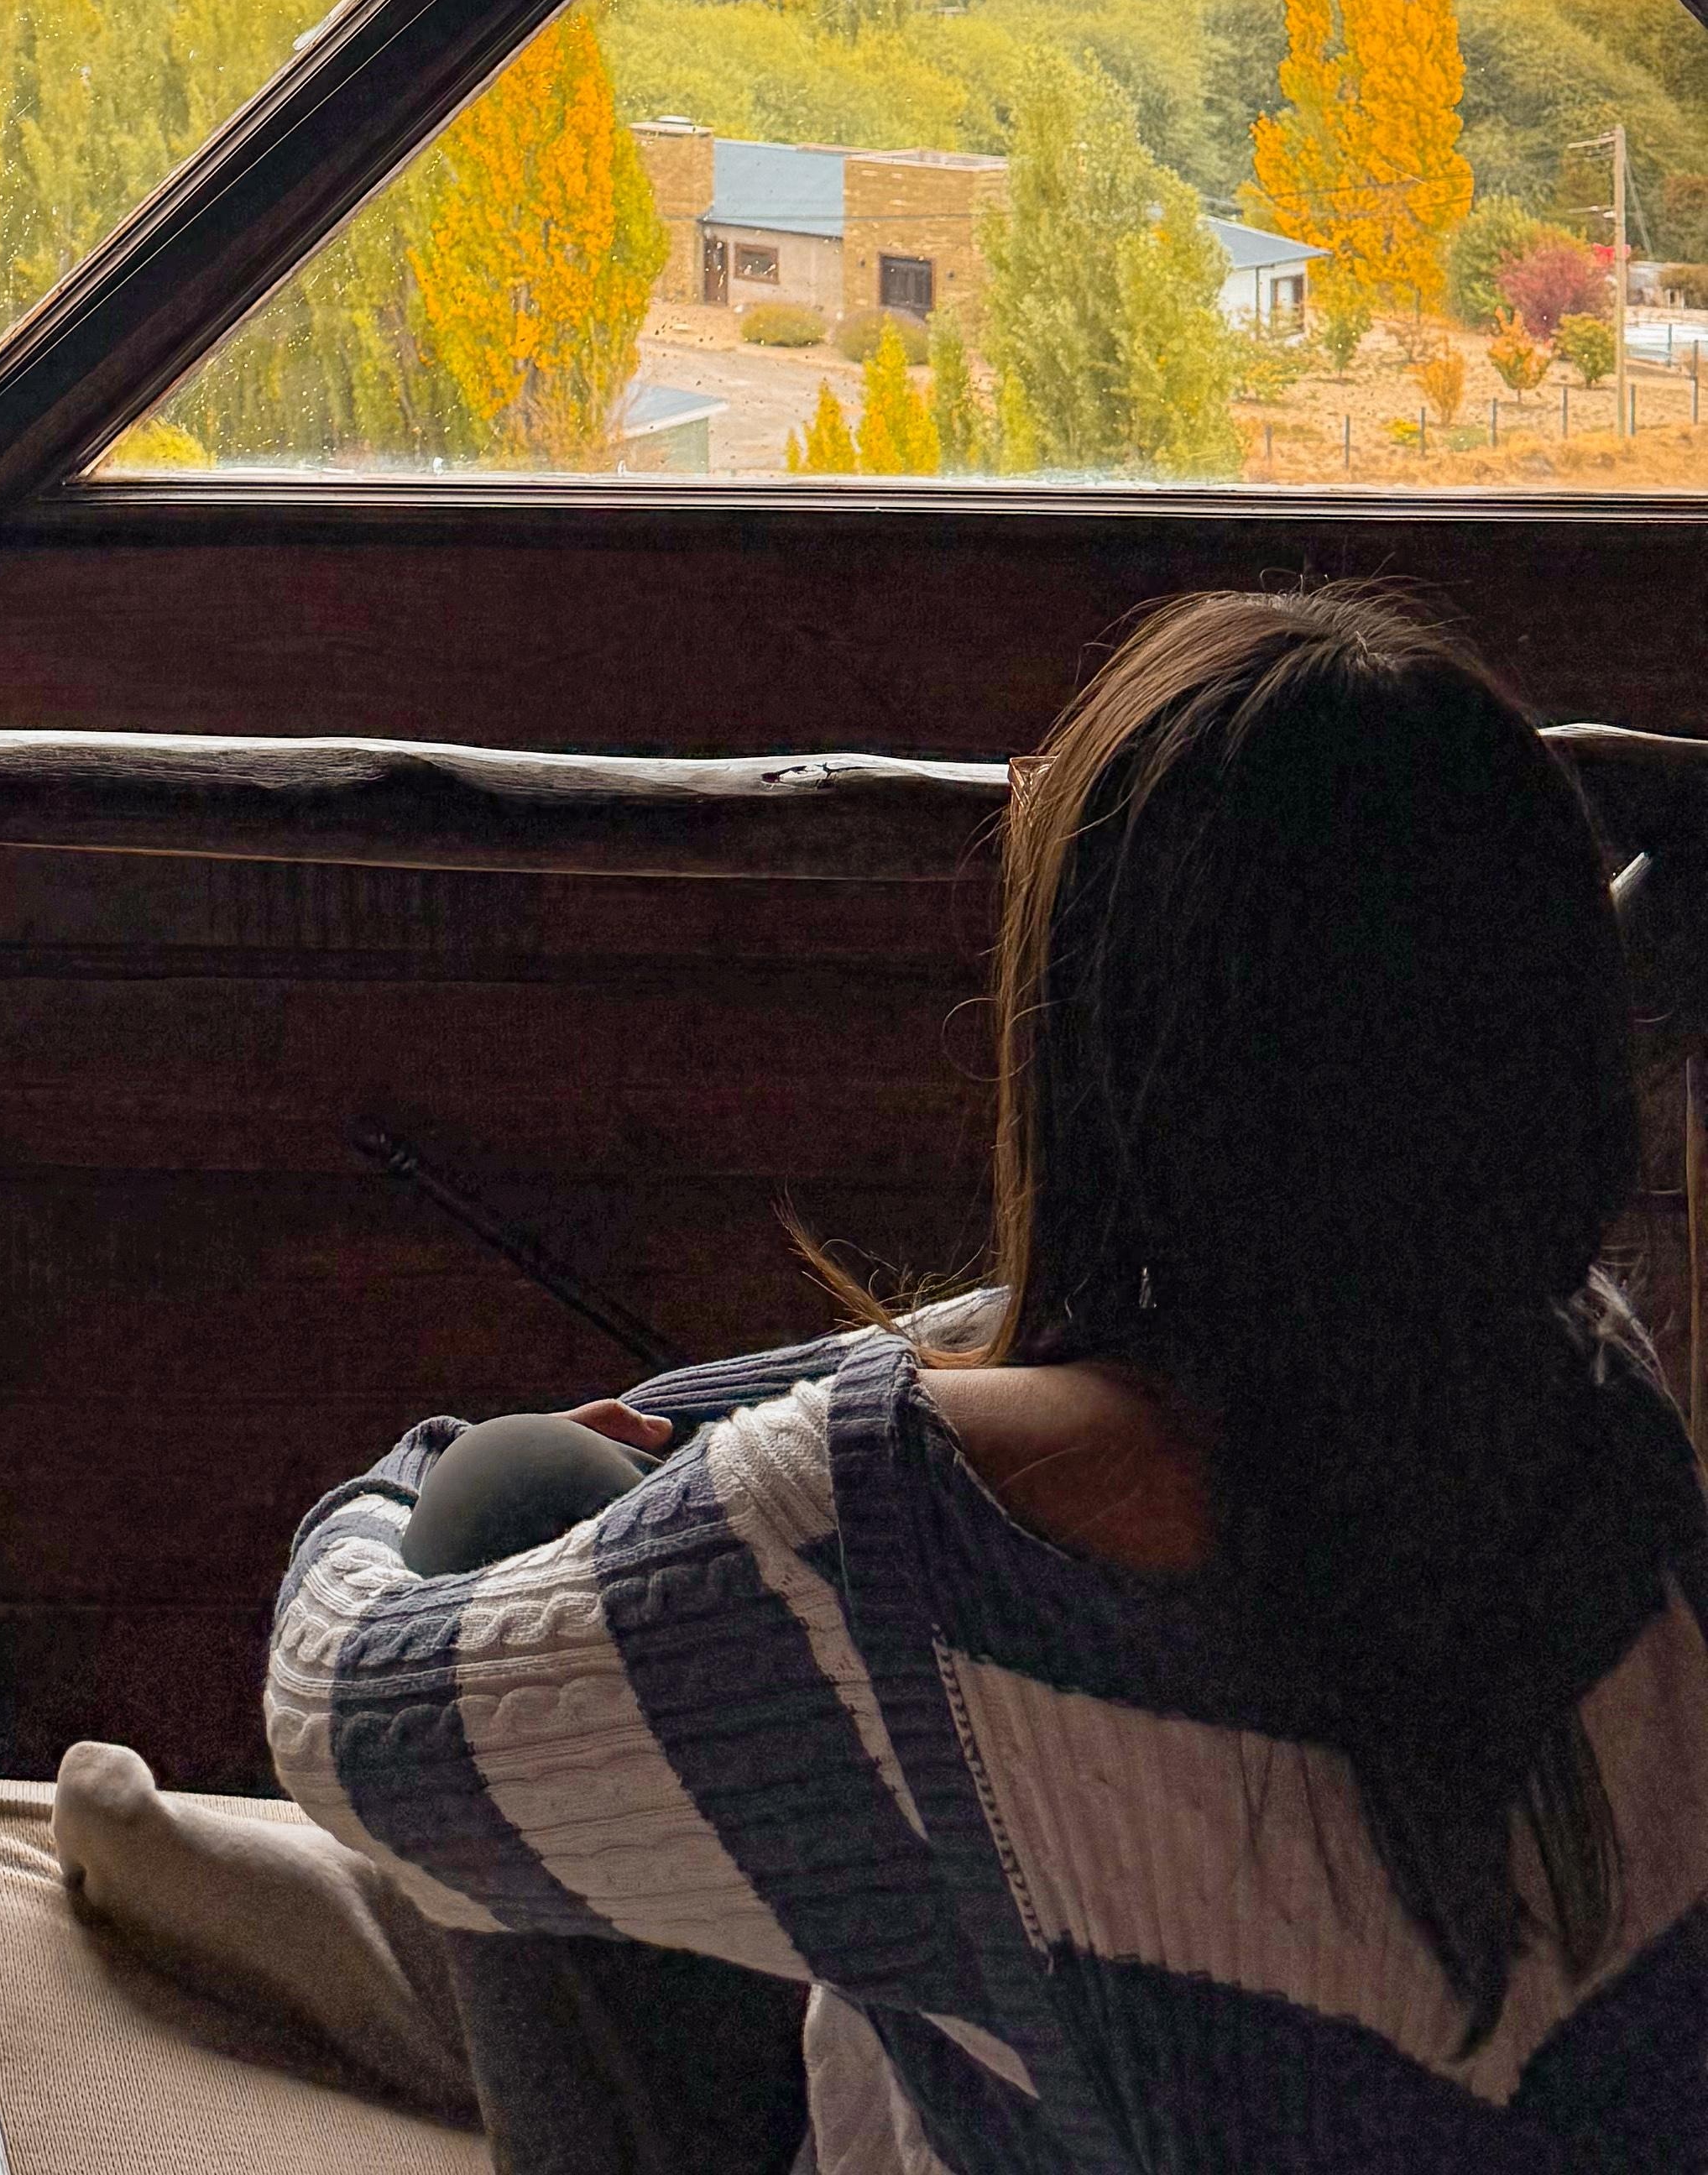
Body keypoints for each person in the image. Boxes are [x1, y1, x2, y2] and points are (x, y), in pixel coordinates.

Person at [265, 588, 1708, 2167]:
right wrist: (766, 1423)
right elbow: (1279, 1288)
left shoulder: (911, 1535)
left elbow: (336, 1718)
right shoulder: (1595, 1387)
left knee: (512, 1499)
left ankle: (328, 1926)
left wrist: (416, 1469)